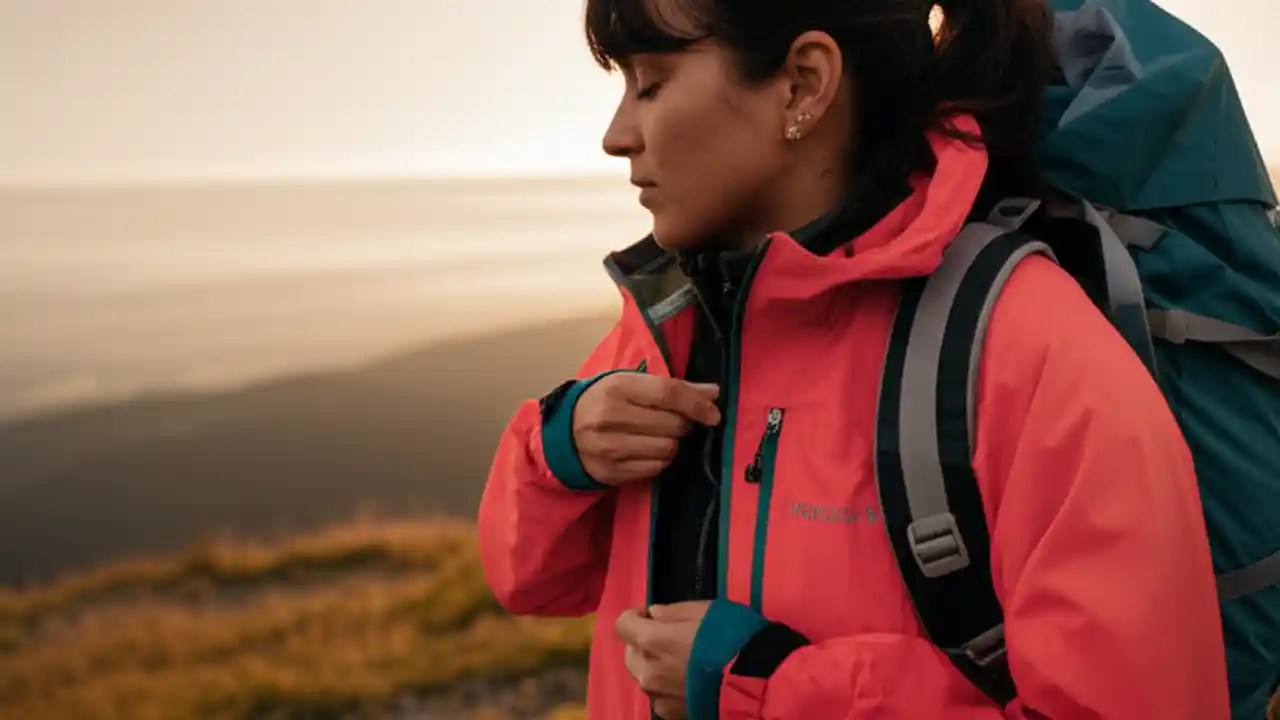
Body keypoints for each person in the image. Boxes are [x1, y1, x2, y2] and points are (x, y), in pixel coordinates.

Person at [477, 0, 1231, 717]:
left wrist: (773, 693)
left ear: (803, 84)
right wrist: (558, 454)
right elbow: (530, 579)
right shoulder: (676, 319)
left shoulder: (1026, 351)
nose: (616, 136)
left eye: (650, 84)